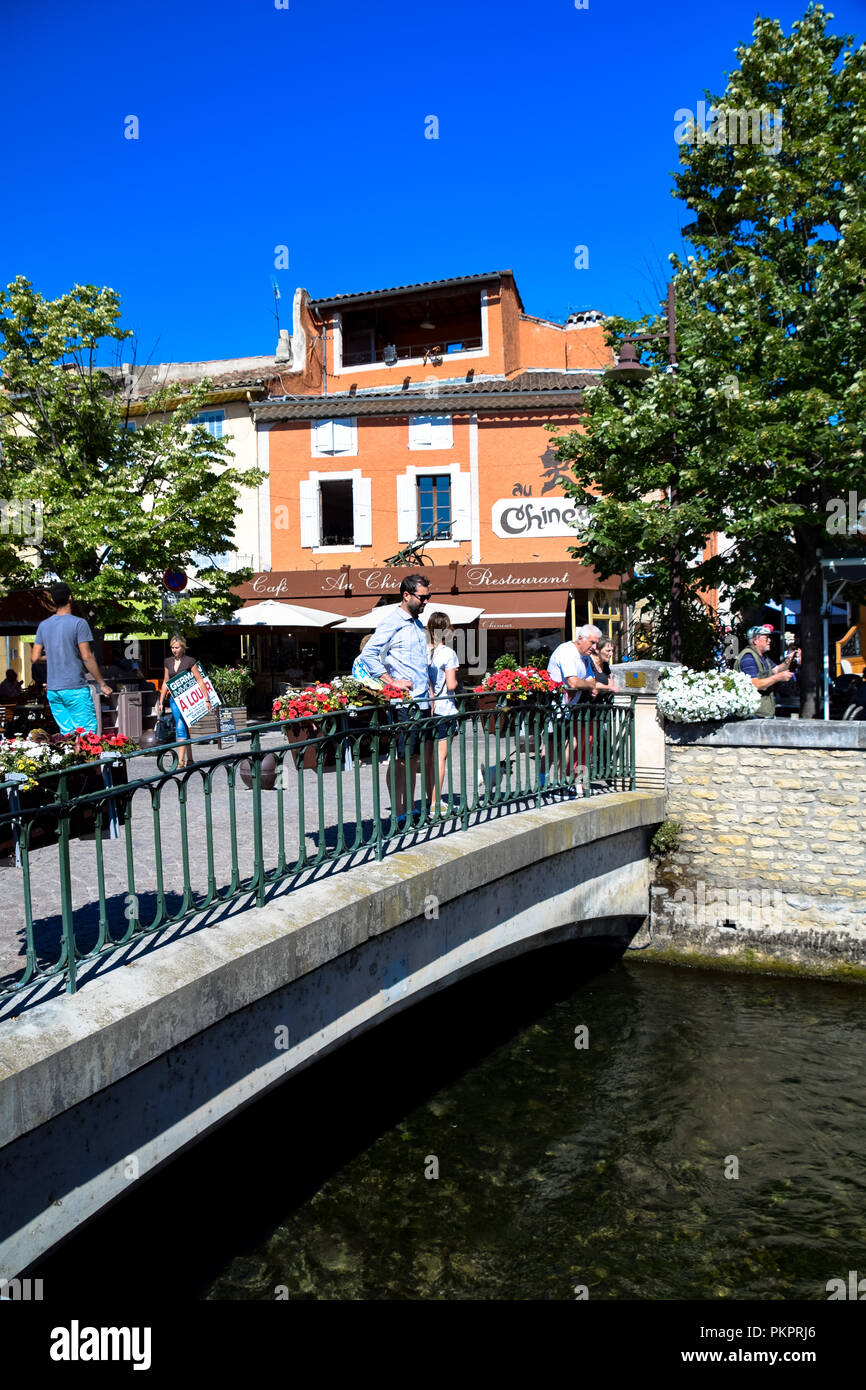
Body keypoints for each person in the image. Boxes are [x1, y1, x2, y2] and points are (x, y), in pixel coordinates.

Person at [360, 573, 432, 825]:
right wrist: (391, 682)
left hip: (420, 702)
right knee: (401, 758)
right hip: (403, 704)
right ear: (406, 595)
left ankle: (410, 809)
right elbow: (368, 655)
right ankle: (399, 813)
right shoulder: (393, 621)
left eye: (428, 597)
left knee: (413, 758)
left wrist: (430, 698)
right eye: (423, 598)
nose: (426, 602)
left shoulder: (417, 624)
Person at [31, 583, 112, 735]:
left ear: (52, 600)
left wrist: (52, 656)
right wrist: (102, 684)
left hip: (54, 690)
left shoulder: (43, 625)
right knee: (87, 736)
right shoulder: (79, 623)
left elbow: (35, 657)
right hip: (75, 687)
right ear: (70, 597)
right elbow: (87, 657)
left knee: (67, 735)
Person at [546, 625, 602, 793]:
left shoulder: (585, 656)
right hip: (557, 707)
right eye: (592, 643)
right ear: (580, 639)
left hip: (573, 707)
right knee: (561, 745)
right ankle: (560, 783)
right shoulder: (567, 652)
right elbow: (573, 682)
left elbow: (593, 680)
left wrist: (584, 684)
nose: (594, 647)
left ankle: (573, 783)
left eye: (596, 644)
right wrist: (584, 684)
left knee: (580, 743)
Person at [160, 635, 212, 768]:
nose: (174, 650)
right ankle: (190, 759)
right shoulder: (168, 661)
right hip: (174, 700)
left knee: (180, 726)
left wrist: (207, 699)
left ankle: (180, 760)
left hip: (187, 700)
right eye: (172, 647)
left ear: (183, 648)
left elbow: (200, 680)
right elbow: (166, 681)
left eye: (176, 647)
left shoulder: (190, 661)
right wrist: (161, 701)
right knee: (183, 727)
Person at [426, 611, 459, 816]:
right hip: (444, 709)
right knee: (441, 758)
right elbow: (451, 684)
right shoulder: (448, 653)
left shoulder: (423, 650)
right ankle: (436, 803)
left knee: (428, 758)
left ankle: (431, 799)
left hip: (426, 709)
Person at [735, 625, 798, 718]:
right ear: (755, 641)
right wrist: (778, 678)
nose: (769, 640)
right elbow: (755, 684)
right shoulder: (748, 658)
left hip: (764, 712)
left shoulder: (763, 657)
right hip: (754, 715)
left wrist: (789, 658)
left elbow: (777, 669)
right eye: (766, 638)